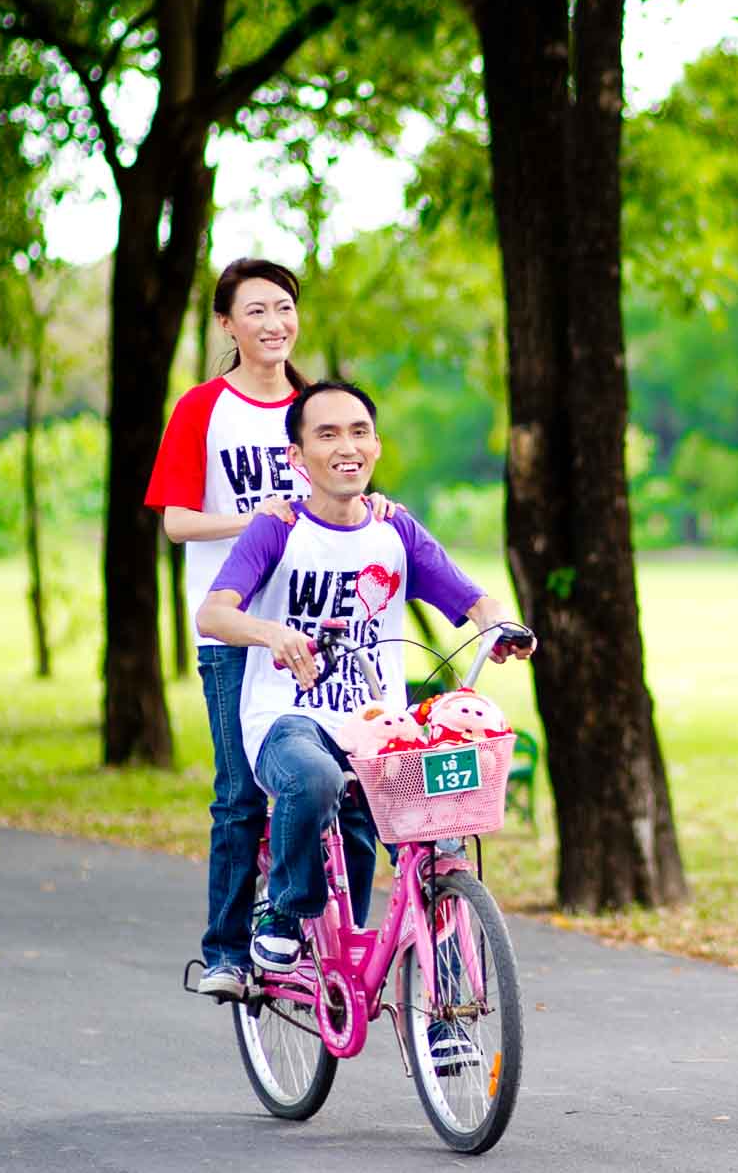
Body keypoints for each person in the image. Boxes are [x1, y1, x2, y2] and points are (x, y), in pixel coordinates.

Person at [194, 380, 530, 974]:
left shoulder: (394, 529)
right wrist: (273, 634)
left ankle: (451, 1006)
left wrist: (502, 626)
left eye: (358, 432)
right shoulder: (277, 529)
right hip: (288, 720)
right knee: (316, 779)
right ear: (296, 458)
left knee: (439, 840)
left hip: (379, 727)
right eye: (325, 434)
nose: (345, 446)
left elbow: (473, 599)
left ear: (376, 445)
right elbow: (213, 613)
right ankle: (289, 910)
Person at [145, 257, 388, 999]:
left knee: (356, 785)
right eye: (255, 311)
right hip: (236, 629)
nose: (273, 323)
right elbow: (177, 520)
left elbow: (355, 491)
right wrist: (254, 519)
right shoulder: (202, 409)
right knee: (242, 794)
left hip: (326, 627)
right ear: (226, 324)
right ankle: (225, 951)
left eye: (283, 307)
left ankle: (338, 937)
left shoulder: (319, 405)